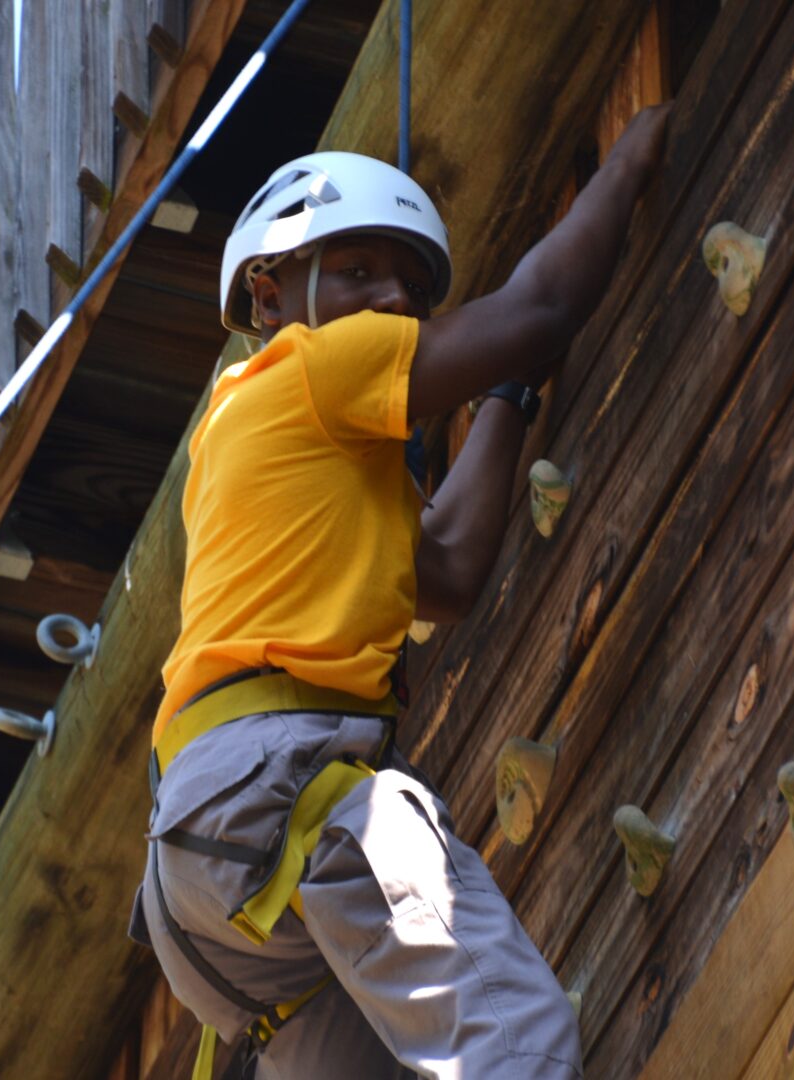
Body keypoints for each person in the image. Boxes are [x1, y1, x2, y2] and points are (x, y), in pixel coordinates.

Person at [129, 103, 670, 1079]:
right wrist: (629, 162)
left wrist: (506, 396)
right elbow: (538, 309)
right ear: (269, 295)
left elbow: (452, 565)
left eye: (410, 289)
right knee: (515, 1042)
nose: (390, 301)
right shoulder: (304, 374)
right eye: (356, 270)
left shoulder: (279, 453)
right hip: (281, 794)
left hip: (210, 889)